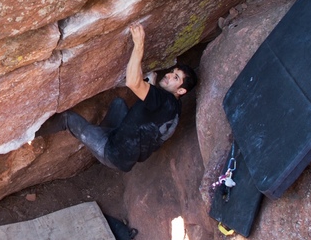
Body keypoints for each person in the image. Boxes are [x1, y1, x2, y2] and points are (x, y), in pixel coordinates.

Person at [44, 23, 197, 172]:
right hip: (125, 153)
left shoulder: (163, 100)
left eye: (176, 78)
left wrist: (139, 45)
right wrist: (151, 85)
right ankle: (98, 133)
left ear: (181, 91)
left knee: (67, 118)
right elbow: (156, 127)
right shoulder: (174, 109)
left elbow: (132, 82)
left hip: (111, 152)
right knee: (118, 104)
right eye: (172, 72)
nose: (169, 75)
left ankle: (28, 137)